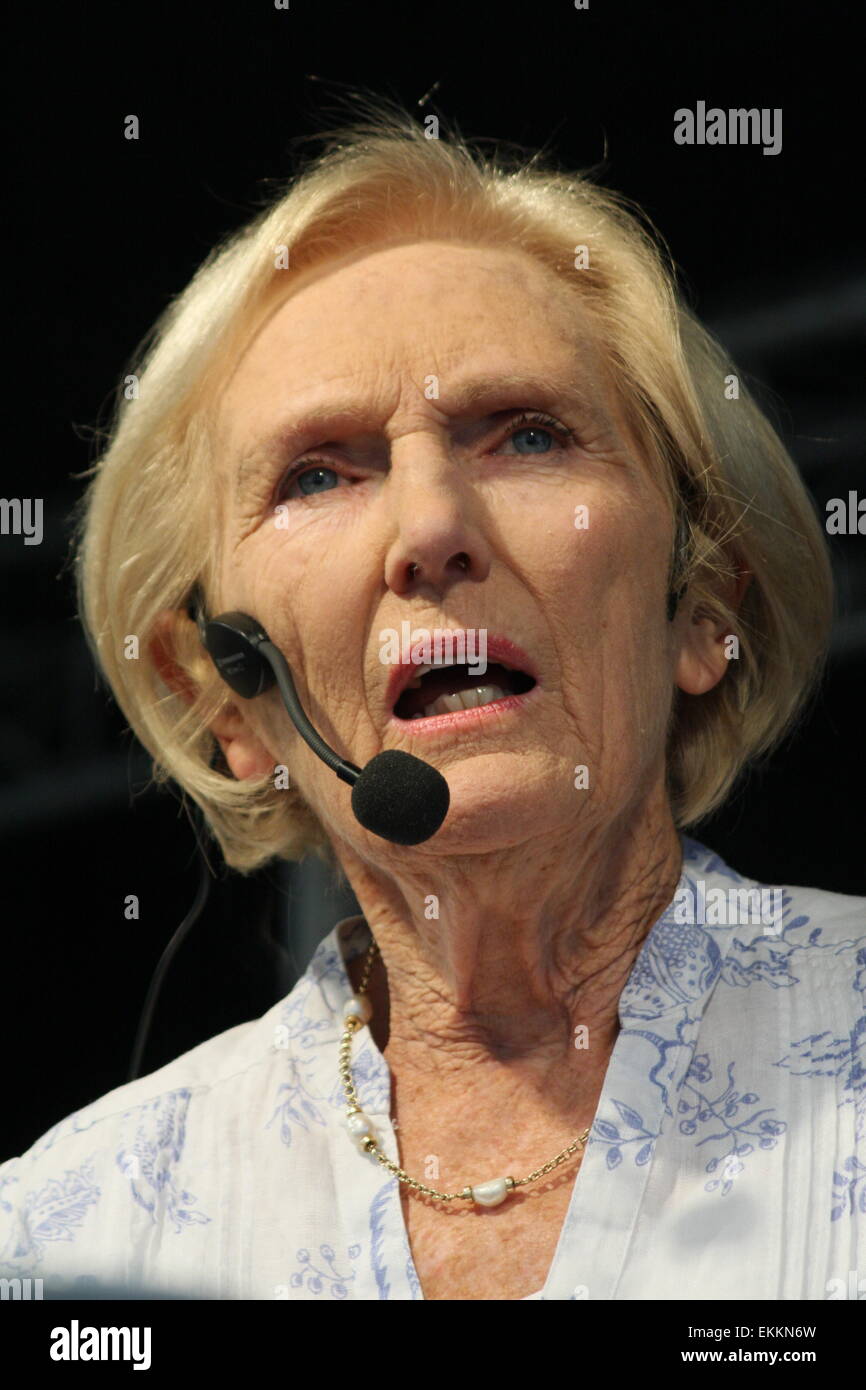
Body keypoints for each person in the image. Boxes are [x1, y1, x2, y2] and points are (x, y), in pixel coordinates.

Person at [2, 101, 863, 1301]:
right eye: (318, 471)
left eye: (524, 437)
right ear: (224, 696)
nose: (432, 529)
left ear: (701, 604)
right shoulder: (68, 1232)